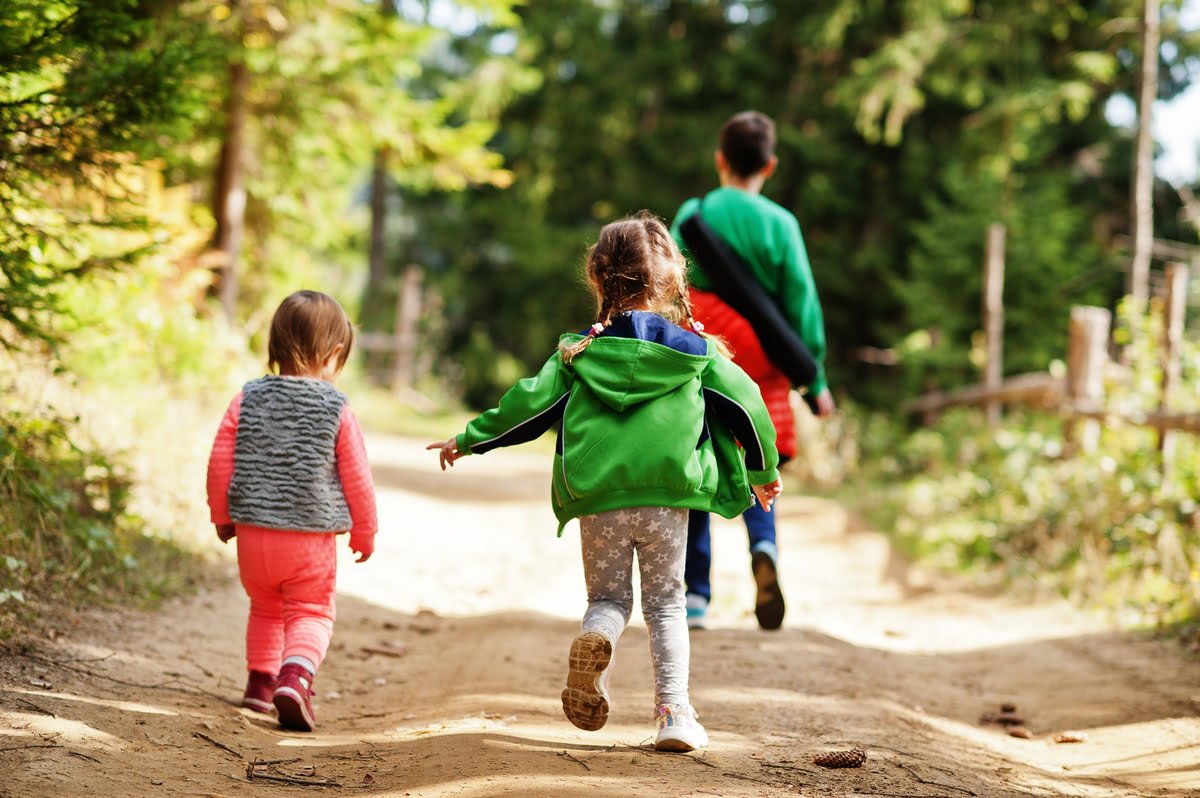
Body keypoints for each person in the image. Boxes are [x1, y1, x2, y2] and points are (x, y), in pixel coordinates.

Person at [426, 214, 781, 752]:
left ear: (597, 278)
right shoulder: (696, 353)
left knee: (610, 599)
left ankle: (600, 635)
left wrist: (468, 439)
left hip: (599, 497)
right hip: (667, 497)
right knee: (666, 604)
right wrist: (763, 473)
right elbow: (748, 404)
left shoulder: (578, 354)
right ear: (670, 278)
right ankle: (674, 714)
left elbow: (526, 405)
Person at [669, 110, 835, 632]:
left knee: (697, 462)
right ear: (771, 164)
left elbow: (668, 285)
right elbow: (802, 304)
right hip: (762, 360)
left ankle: (695, 596)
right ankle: (763, 545)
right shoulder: (781, 225)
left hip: (705, 350)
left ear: (720, 160)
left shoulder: (695, 214)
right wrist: (816, 377)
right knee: (756, 455)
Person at [206, 290, 378, 732]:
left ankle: (260, 683)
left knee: (264, 606)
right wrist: (365, 531)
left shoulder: (247, 397)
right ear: (335, 354)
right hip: (308, 540)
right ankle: (296, 677)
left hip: (254, 536)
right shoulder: (336, 407)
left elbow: (221, 459)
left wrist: (223, 515)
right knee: (311, 611)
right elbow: (356, 476)